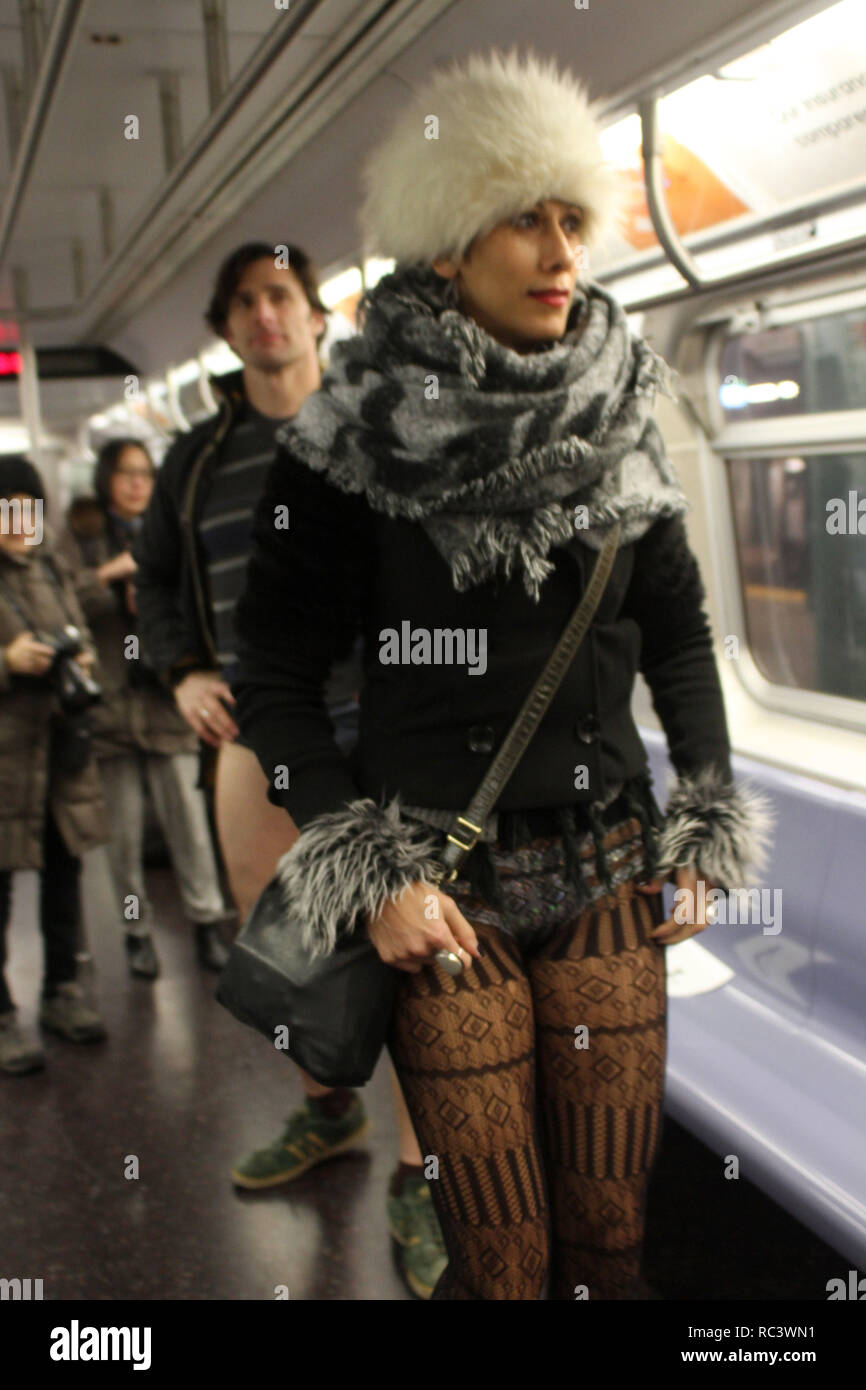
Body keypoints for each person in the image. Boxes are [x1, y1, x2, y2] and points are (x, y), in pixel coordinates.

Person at [232, 50, 774, 1300]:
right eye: (520, 220)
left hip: (603, 862)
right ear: (444, 249)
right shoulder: (344, 445)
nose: (556, 251)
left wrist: (701, 813)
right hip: (438, 885)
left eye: (569, 219)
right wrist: (356, 861)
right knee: (506, 1261)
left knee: (610, 1242)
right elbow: (272, 675)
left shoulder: (621, 409)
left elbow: (681, 636)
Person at [132, 243, 448, 1297]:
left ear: (317, 316)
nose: (266, 316)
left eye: (282, 297)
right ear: (227, 330)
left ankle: (417, 1167)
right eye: (245, 304)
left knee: (409, 938)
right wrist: (179, 670)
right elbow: (160, 583)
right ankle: (326, 1107)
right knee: (283, 934)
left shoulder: (379, 421)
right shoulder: (194, 458)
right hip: (261, 719)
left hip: (386, 709)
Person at [57, 438, 231, 979]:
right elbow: (60, 601)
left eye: (145, 473)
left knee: (190, 828)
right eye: (125, 473)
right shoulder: (79, 539)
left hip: (165, 706)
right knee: (124, 837)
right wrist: (112, 578)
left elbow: (203, 602)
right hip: (109, 707)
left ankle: (207, 923)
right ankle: (136, 932)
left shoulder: (171, 531)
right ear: (106, 478)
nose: (136, 483)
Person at [0, 456, 109, 1075]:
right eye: (7, 505)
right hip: (7, 759)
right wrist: (8, 661)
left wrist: (84, 660)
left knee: (63, 878)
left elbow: (85, 635)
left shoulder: (50, 566)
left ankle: (61, 992)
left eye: (28, 506)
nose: (20, 519)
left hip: (61, 750)